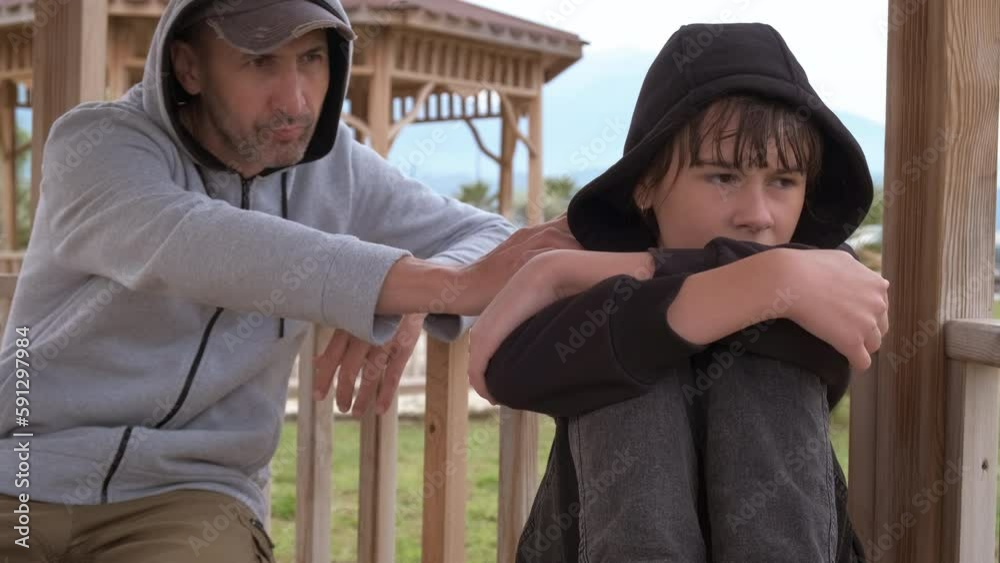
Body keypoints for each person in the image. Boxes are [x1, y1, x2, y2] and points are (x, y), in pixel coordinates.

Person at [0, 1, 577, 561]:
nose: (295, 100)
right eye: (260, 62)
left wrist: (418, 299)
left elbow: (491, 236)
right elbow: (194, 240)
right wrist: (408, 282)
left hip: (189, 499)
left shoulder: (336, 169)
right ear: (189, 67)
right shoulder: (97, 145)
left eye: (311, 59)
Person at [469, 23, 887, 563]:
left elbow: (813, 306)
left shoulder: (822, 279)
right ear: (646, 183)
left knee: (726, 353)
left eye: (783, 182)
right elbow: (509, 372)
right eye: (722, 177)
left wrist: (563, 273)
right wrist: (761, 282)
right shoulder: (599, 301)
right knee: (624, 359)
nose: (757, 216)